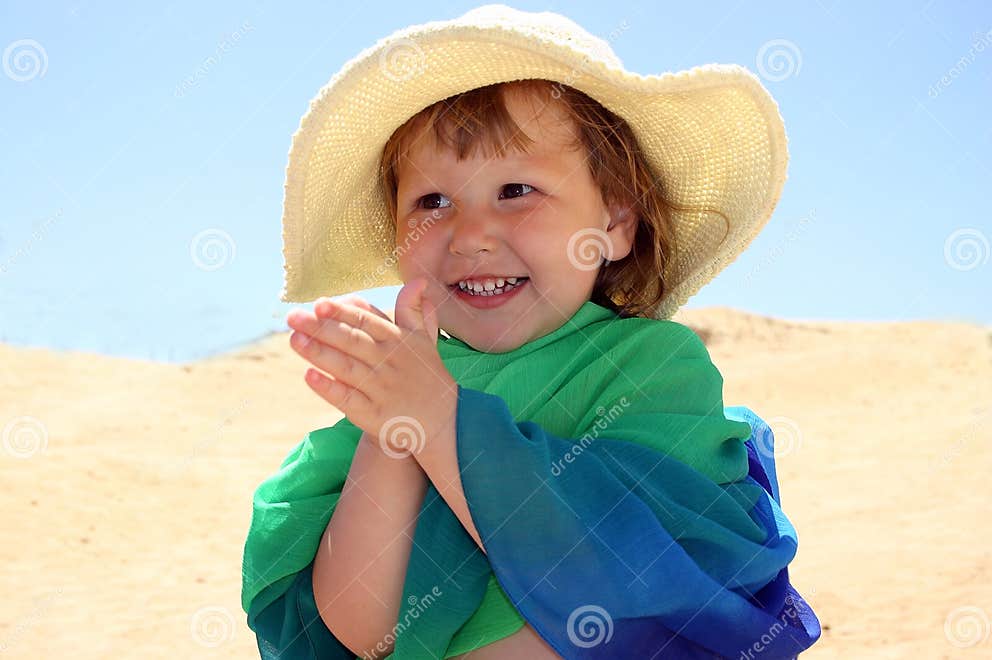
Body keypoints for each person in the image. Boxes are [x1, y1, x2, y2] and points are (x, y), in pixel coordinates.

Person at [241, 4, 822, 659]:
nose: (470, 235)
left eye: (516, 189)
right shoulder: (408, 384)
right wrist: (398, 431)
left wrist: (444, 424)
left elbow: (635, 581)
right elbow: (357, 633)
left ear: (616, 225)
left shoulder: (649, 366)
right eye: (431, 202)